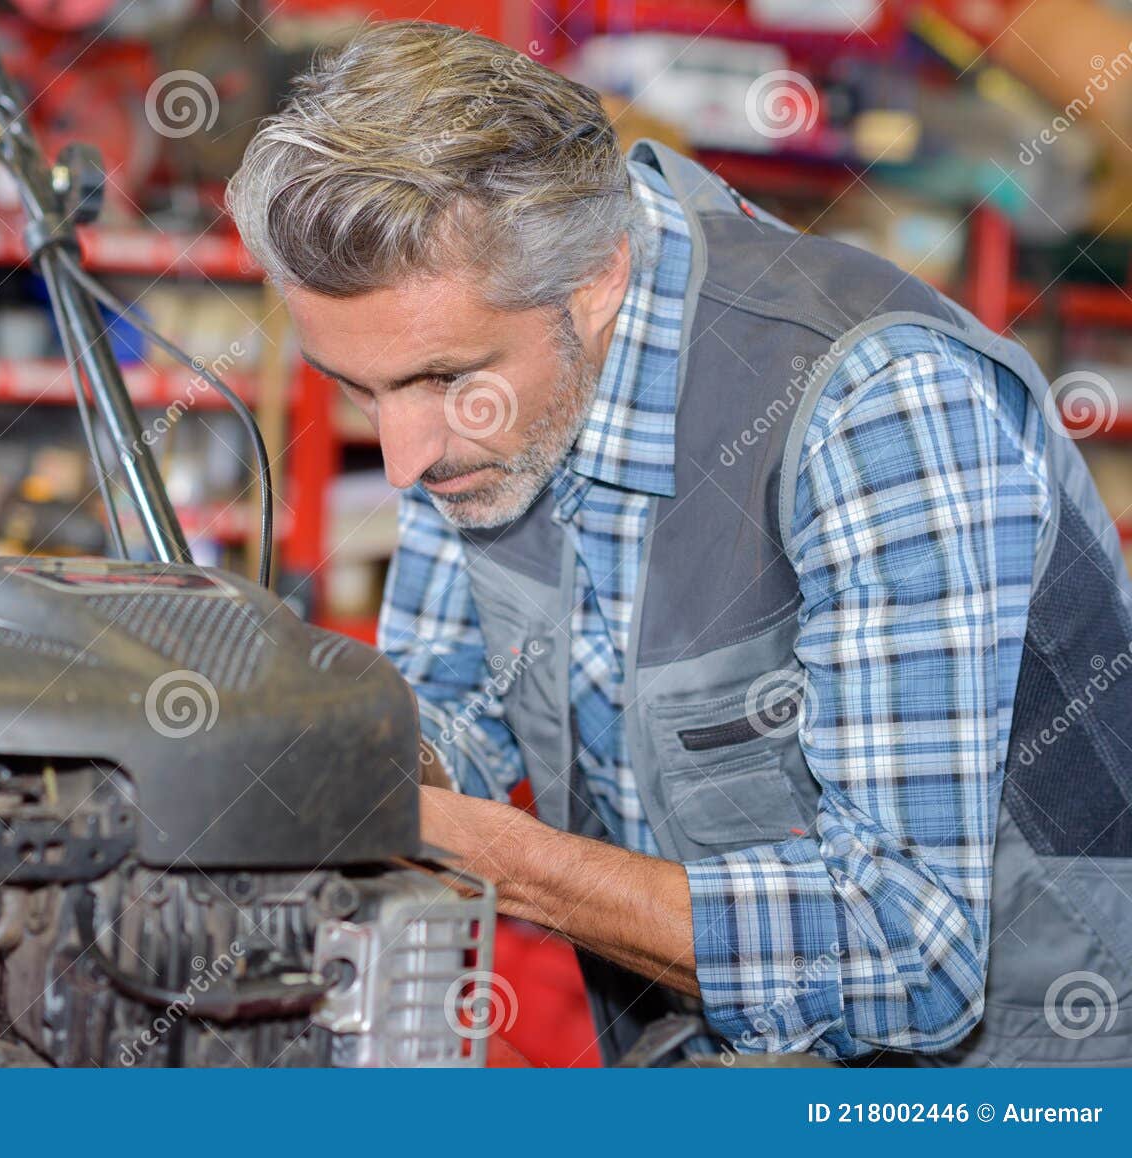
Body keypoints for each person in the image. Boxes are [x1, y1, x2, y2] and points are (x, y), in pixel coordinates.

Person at [226, 21, 1132, 1065]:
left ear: (596, 278)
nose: (400, 456)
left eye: (443, 380)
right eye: (359, 390)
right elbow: (453, 707)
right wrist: (361, 763)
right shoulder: (488, 395)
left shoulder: (873, 404)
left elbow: (905, 954)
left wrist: (499, 858)